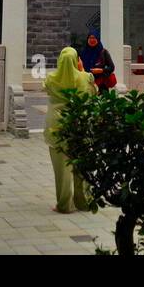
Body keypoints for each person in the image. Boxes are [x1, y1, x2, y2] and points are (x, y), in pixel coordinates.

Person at [44, 47, 96, 212]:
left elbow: (46, 89)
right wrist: (81, 71)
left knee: (62, 169)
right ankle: (84, 202)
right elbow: (94, 93)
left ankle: (65, 204)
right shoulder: (86, 77)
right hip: (80, 124)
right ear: (76, 60)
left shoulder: (51, 79)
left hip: (57, 126)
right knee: (82, 166)